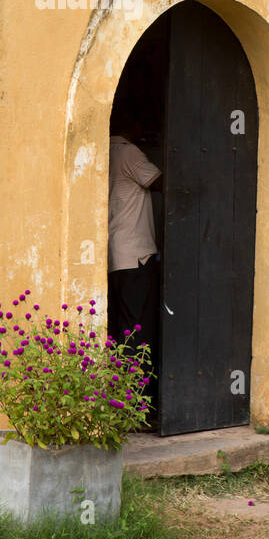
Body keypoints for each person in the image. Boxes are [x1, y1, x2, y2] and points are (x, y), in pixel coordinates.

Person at [107, 106, 162, 417]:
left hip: (116, 254)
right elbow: (160, 181)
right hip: (136, 255)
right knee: (138, 334)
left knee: (120, 330)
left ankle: (119, 403)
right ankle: (136, 407)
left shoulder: (107, 151)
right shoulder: (129, 153)